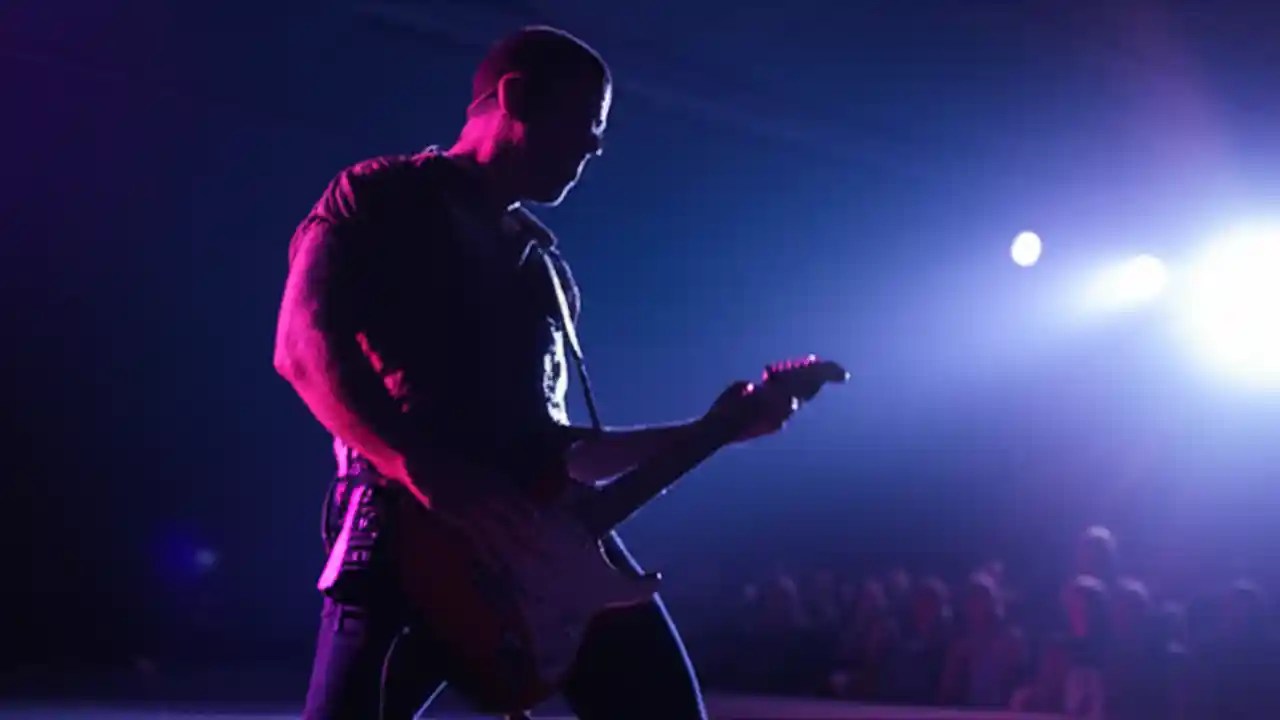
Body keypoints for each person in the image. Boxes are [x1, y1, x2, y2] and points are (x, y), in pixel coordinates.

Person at [272, 25, 800, 720]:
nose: (594, 147)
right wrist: (415, 465)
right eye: (584, 123)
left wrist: (718, 429)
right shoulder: (379, 196)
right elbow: (301, 348)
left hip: (537, 545)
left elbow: (562, 452)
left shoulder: (547, 271)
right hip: (406, 538)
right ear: (515, 97)